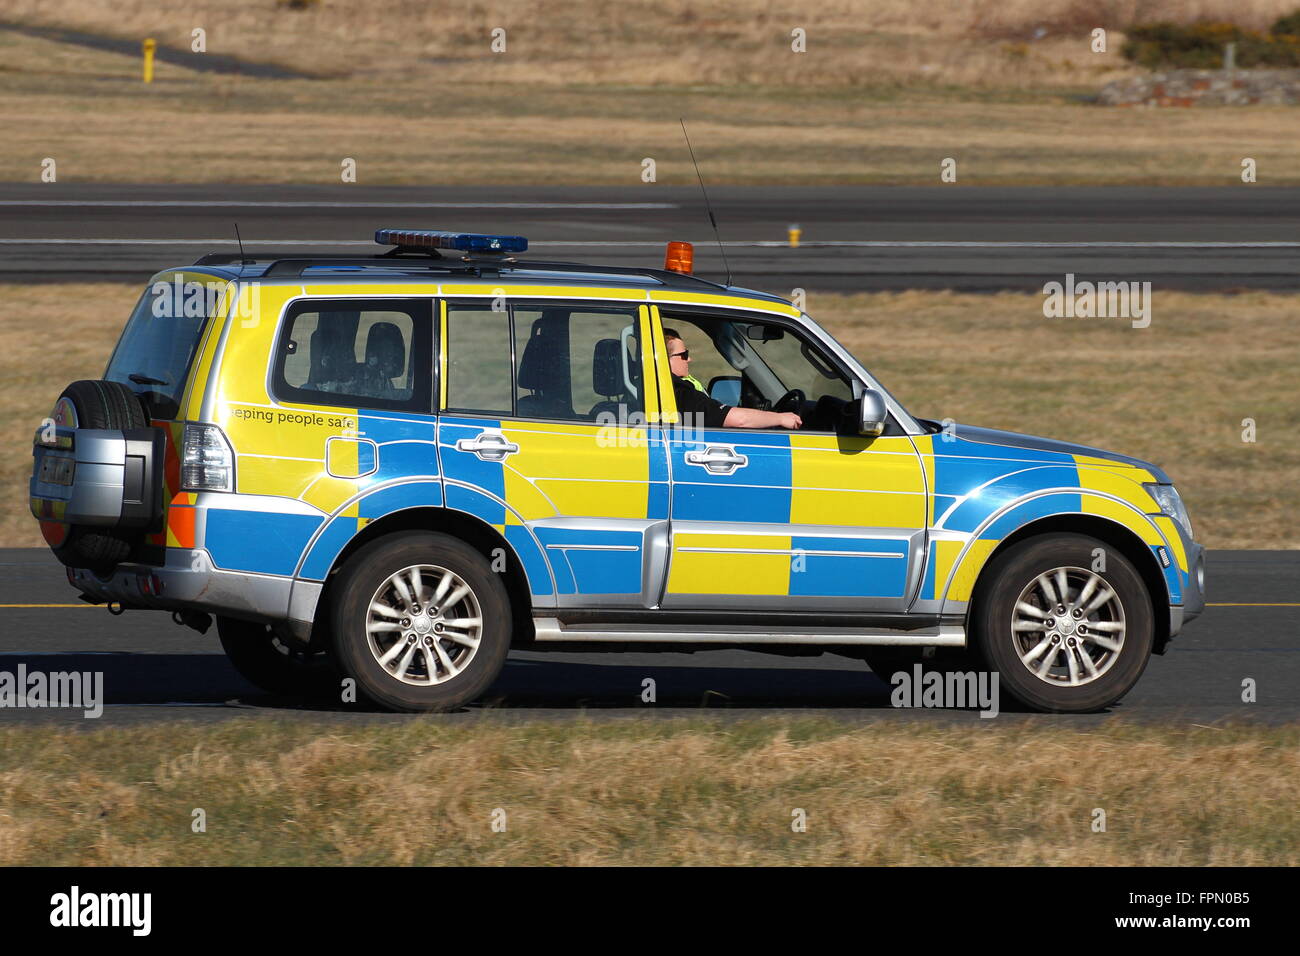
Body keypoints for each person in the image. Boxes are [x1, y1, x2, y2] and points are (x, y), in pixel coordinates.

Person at [661, 327, 801, 430]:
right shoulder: (678, 392)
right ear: (663, 360)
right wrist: (781, 418)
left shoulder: (654, 387)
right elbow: (740, 420)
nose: (689, 359)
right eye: (684, 355)